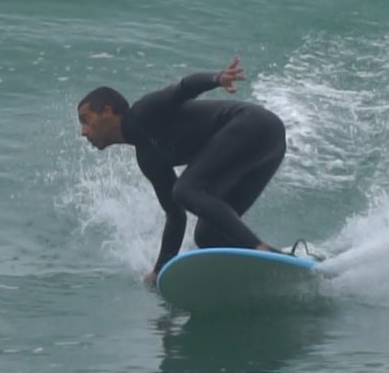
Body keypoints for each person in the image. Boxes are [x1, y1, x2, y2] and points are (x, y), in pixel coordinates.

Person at [78, 56, 287, 284]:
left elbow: (184, 88)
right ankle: (276, 265)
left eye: (85, 120)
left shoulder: (143, 112)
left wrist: (217, 78)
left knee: (186, 189)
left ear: (107, 111)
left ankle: (259, 248)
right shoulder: (148, 158)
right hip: (267, 147)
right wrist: (159, 271)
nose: (83, 131)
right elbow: (175, 215)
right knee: (208, 235)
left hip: (254, 126)